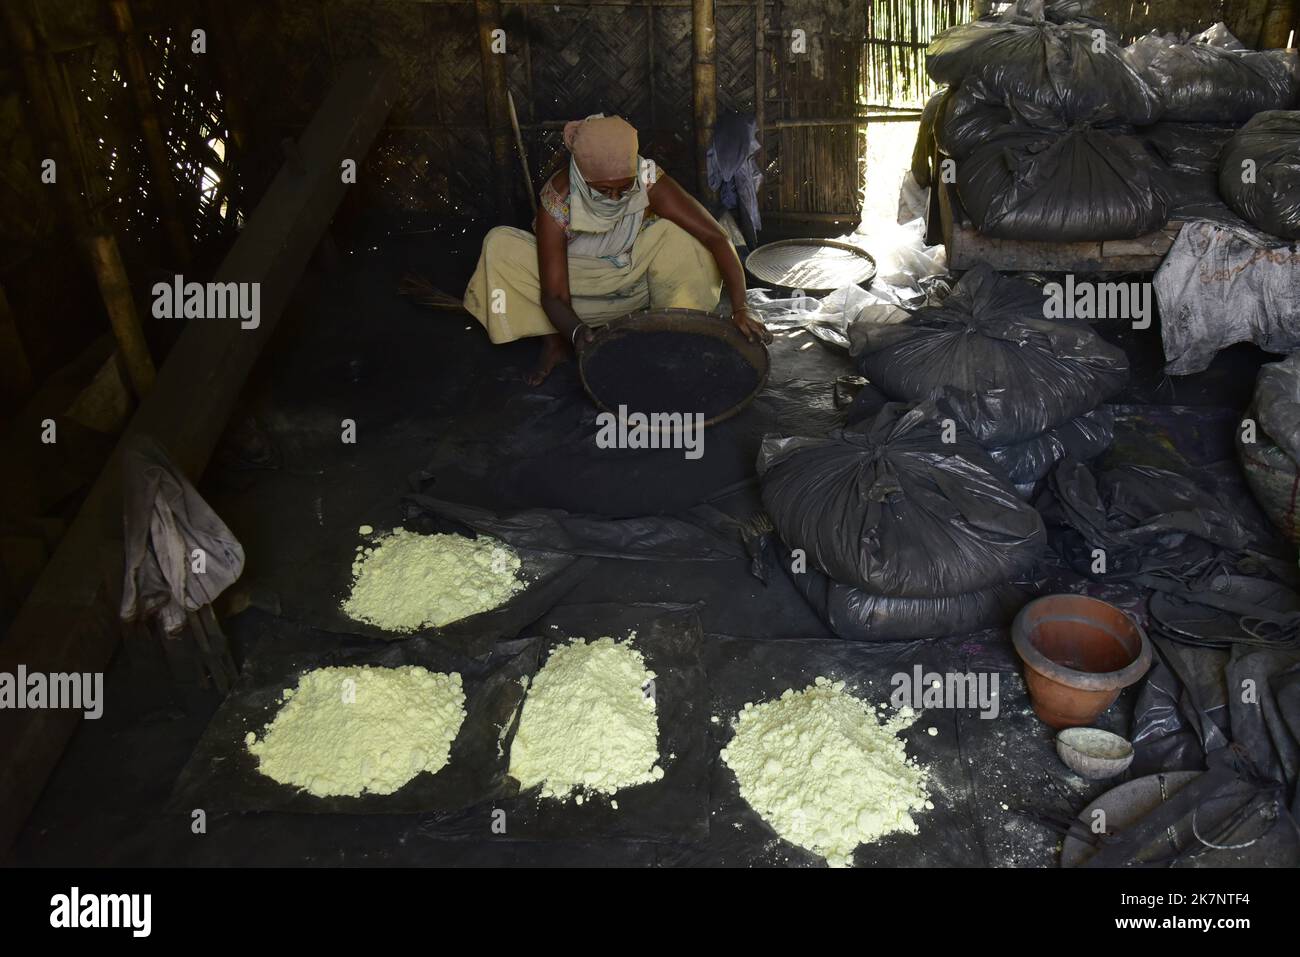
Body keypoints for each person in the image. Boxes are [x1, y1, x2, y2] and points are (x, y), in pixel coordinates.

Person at [464, 114, 770, 384]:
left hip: (631, 280)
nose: (613, 199)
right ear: (581, 177)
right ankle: (555, 341)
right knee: (499, 245)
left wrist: (741, 308)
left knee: (682, 236)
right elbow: (554, 295)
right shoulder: (557, 198)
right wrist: (576, 333)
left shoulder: (647, 177)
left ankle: (672, 326)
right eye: (602, 190)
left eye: (623, 189)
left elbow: (716, 237)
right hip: (574, 288)